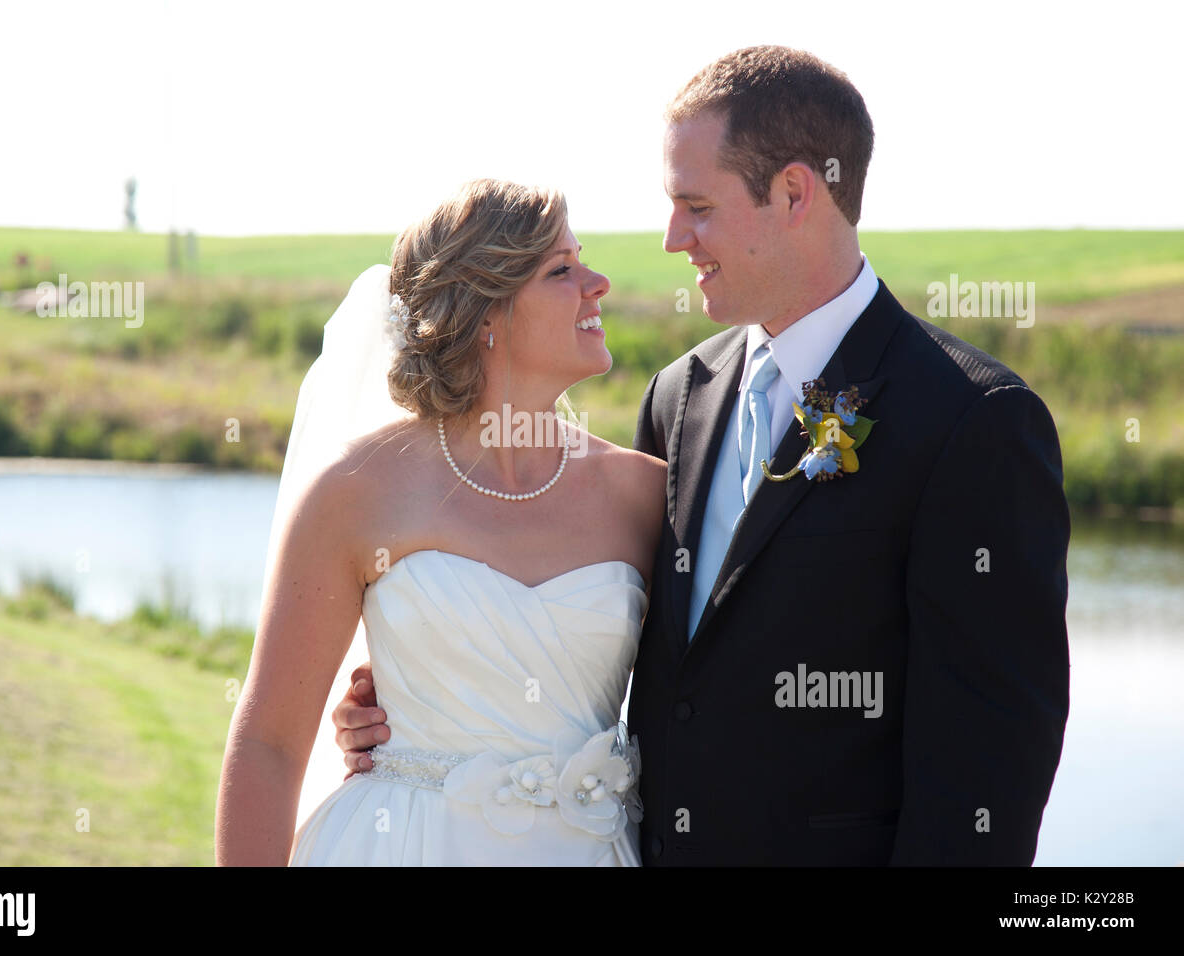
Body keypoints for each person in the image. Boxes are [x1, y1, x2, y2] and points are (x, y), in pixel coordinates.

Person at [333, 46, 1071, 865]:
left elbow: (986, 778)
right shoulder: (680, 397)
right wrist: (423, 698)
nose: (673, 237)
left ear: (795, 191)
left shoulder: (975, 424)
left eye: (696, 207)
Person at [214, 179, 667, 866]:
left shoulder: (643, 494)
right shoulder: (357, 490)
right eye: (562, 270)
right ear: (487, 313)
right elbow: (269, 744)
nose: (598, 283)